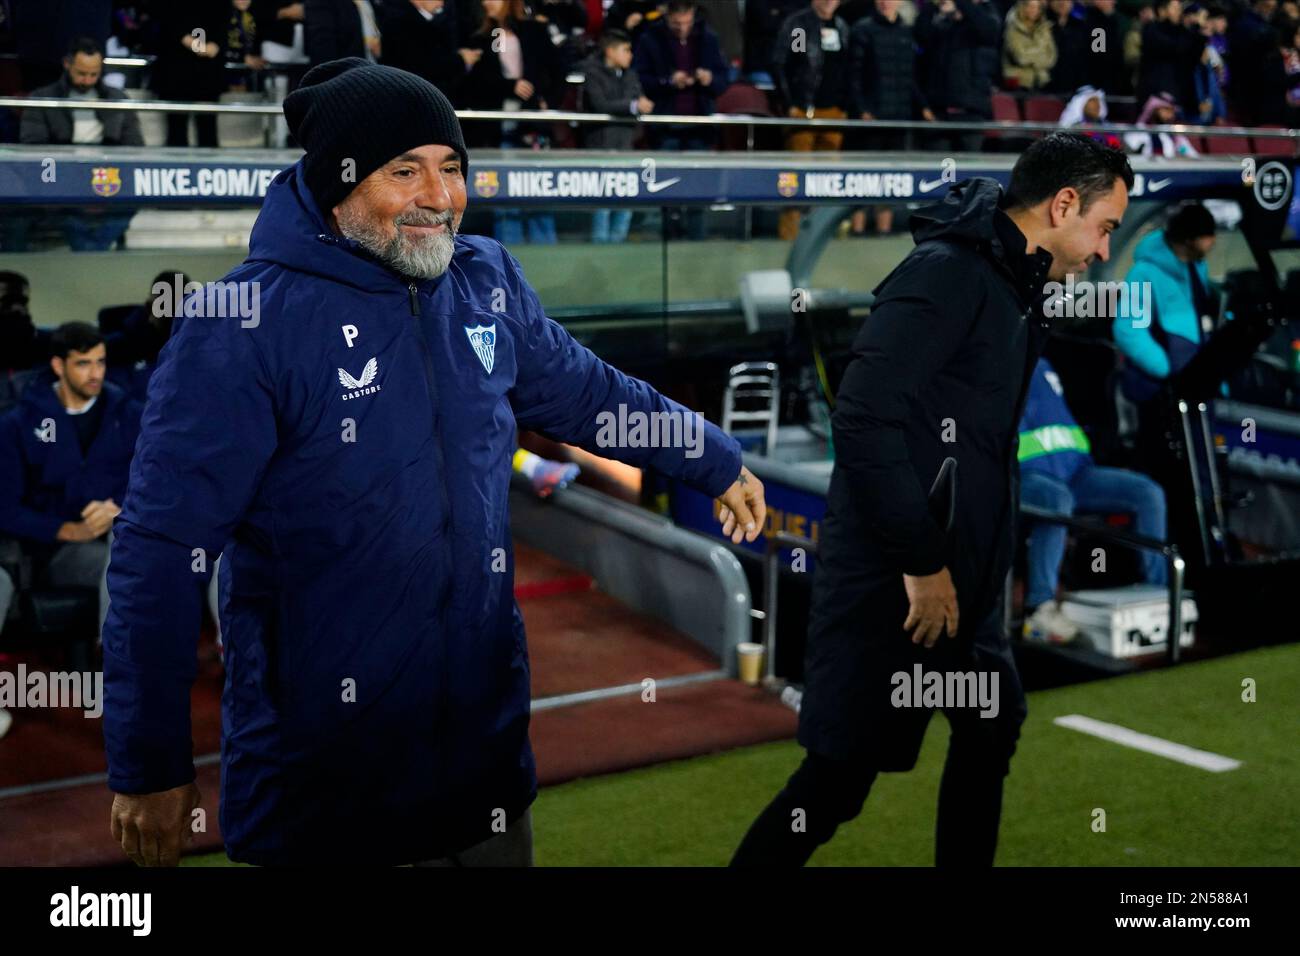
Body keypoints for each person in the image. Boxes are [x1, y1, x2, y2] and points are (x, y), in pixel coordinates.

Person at [102, 58, 767, 868]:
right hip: (330, 793)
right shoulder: (239, 327)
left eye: (451, 167)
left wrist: (714, 458)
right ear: (336, 183)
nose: (439, 196)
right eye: (403, 170)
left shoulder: (486, 280)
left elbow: (589, 394)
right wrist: (150, 765)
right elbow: (161, 555)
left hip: (484, 772)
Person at [731, 132, 1132, 867]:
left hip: (962, 587)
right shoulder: (948, 273)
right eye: (1105, 227)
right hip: (896, 583)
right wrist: (922, 562)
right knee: (836, 784)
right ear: (1064, 203)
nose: (1105, 250)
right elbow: (863, 417)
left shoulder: (1017, 283)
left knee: (990, 726)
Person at [0, 322, 141, 644]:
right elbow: (5, 508)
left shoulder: (130, 415)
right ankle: (120, 666)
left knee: (138, 547)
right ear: (58, 365)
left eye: (101, 362)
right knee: (126, 559)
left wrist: (118, 507)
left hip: (119, 532)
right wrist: (67, 530)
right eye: (83, 363)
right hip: (58, 549)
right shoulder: (16, 424)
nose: (95, 373)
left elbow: (152, 477)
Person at [1017, 357, 1169, 644]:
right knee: (1056, 500)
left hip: (1076, 471)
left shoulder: (1042, 363)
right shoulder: (991, 361)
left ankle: (1157, 596)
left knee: (1147, 493)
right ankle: (1038, 609)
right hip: (1025, 476)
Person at [461, 0, 564, 244]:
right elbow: (475, 85)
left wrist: (546, 101)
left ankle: (549, 255)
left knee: (539, 196)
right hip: (496, 132)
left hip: (532, 129)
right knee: (505, 203)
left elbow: (558, 71)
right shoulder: (480, 37)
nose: (487, 3)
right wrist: (510, 86)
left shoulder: (533, 31)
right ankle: (509, 263)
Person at [1113, 202, 1218, 405]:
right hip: (1159, 389)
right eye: (1209, 234)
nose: (1214, 241)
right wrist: (1166, 368)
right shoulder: (1142, 273)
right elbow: (1128, 331)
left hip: (1195, 383)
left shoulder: (1196, 268)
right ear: (1190, 239)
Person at [847, 0, 935, 237]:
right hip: (871, 119)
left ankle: (883, 231)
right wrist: (862, 109)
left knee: (892, 177)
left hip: (899, 117)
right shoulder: (862, 30)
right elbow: (853, 76)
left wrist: (924, 107)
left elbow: (910, 77)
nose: (885, 2)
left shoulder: (906, 33)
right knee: (864, 178)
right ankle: (857, 230)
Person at [772, 0, 853, 240]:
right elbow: (785, 64)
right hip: (804, 111)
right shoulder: (799, 26)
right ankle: (789, 235)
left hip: (834, 112)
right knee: (795, 177)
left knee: (829, 179)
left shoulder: (842, 26)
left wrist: (845, 105)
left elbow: (848, 68)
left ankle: (824, 235)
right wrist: (791, 104)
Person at [581, 29, 655, 242]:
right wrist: (633, 105)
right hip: (601, 148)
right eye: (626, 50)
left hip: (625, 147)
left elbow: (636, 97)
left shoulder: (631, 75)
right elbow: (600, 104)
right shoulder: (592, 73)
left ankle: (617, 252)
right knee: (602, 207)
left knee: (625, 206)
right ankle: (600, 252)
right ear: (610, 51)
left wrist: (639, 104)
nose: (630, 55)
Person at [19, 36, 144, 147]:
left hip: (107, 169)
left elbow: (134, 145)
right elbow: (32, 147)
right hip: (61, 166)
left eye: (94, 74)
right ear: (67, 64)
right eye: (81, 73)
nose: (87, 81)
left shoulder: (118, 98)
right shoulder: (42, 99)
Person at [915, 0, 1001, 154]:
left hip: (971, 111)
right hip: (938, 111)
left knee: (969, 171)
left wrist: (962, 4)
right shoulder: (939, 20)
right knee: (938, 172)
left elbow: (988, 31)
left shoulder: (987, 13)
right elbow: (921, 36)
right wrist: (936, 7)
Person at [379, 0, 471, 96]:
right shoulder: (402, 22)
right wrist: (461, 60)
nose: (442, 4)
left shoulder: (413, 19)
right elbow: (425, 65)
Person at [1138, 0, 1206, 118]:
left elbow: (1193, 57)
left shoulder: (1182, 31)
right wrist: (1194, 29)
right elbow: (1176, 48)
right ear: (1162, 11)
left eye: (1179, 9)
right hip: (1157, 93)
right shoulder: (1152, 30)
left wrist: (1199, 32)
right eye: (1174, 8)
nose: (1179, 12)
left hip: (1180, 94)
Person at [1002, 0, 1056, 91]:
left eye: (1037, 7)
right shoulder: (1012, 29)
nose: (1033, 10)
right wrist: (1039, 55)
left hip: (1041, 81)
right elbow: (1021, 58)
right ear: (1022, 7)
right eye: (1030, 6)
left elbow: (1051, 57)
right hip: (1018, 83)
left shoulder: (1045, 29)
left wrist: (1030, 55)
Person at [1045, 0, 1089, 94]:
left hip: (1075, 87)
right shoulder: (1041, 26)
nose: (1062, 2)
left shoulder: (1081, 26)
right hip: (1046, 86)